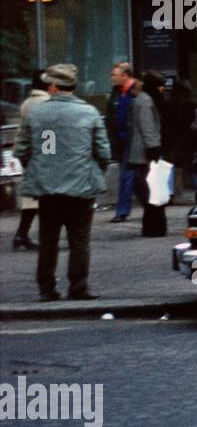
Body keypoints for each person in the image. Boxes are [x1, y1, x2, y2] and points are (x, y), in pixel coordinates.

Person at [16, 64, 112, 301]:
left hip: (48, 188)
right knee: (80, 240)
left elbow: (23, 149)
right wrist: (92, 171)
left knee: (48, 239)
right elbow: (103, 152)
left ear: (54, 87)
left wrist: (41, 168)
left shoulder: (38, 113)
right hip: (81, 188)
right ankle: (78, 286)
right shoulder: (89, 112)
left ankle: (47, 288)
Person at [11, 72, 48, 250]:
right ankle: (34, 235)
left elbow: (23, 132)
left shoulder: (27, 103)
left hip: (28, 155)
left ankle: (22, 234)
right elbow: (49, 134)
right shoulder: (47, 104)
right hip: (43, 156)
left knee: (31, 198)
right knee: (48, 197)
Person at [131, 71, 168, 237]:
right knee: (153, 190)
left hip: (145, 149)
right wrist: (154, 148)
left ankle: (153, 225)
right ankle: (154, 226)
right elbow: (148, 128)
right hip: (147, 151)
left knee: (151, 190)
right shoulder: (146, 101)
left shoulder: (144, 99)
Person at [107, 62, 138, 222]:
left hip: (134, 140)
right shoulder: (117, 92)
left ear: (125, 75)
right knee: (128, 175)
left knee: (127, 176)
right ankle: (125, 209)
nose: (113, 78)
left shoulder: (137, 91)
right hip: (120, 140)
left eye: (115, 75)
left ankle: (122, 210)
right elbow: (111, 114)